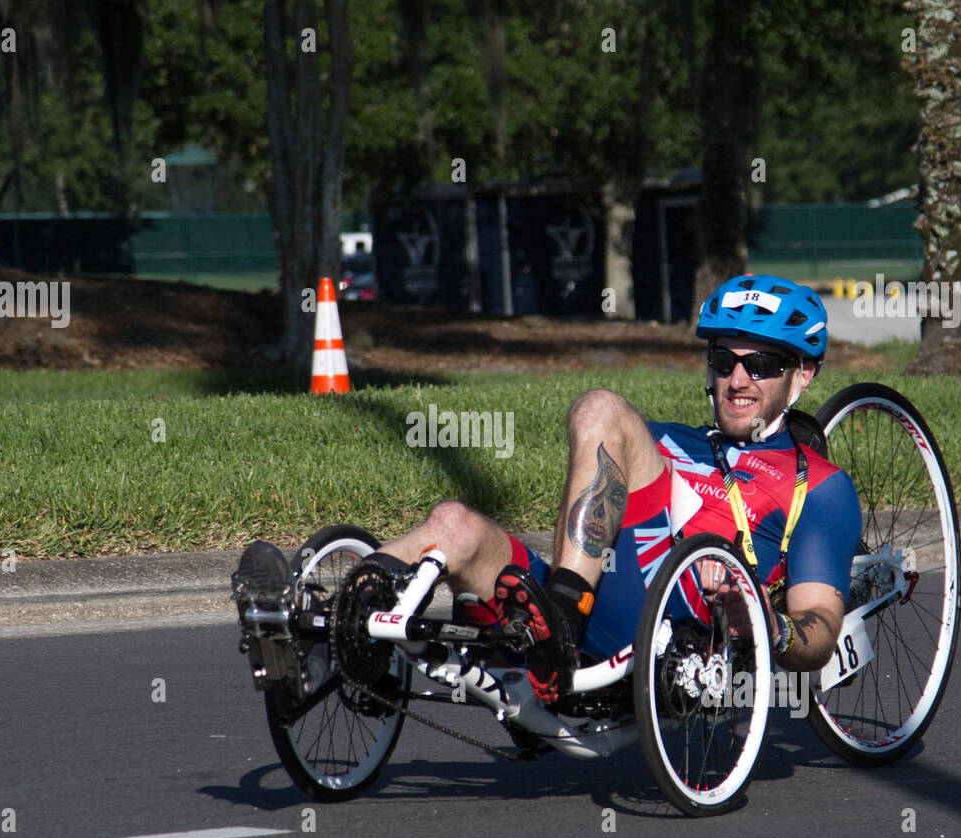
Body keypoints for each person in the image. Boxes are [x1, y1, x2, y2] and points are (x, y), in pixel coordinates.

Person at [368, 274, 862, 703]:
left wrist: (768, 624)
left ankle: (559, 618)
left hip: (675, 632)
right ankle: (337, 616)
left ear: (803, 374)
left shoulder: (818, 485)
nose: (737, 380)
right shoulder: (667, 437)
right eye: (723, 360)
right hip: (582, 598)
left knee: (602, 407)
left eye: (762, 364)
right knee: (452, 524)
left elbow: (818, 628)